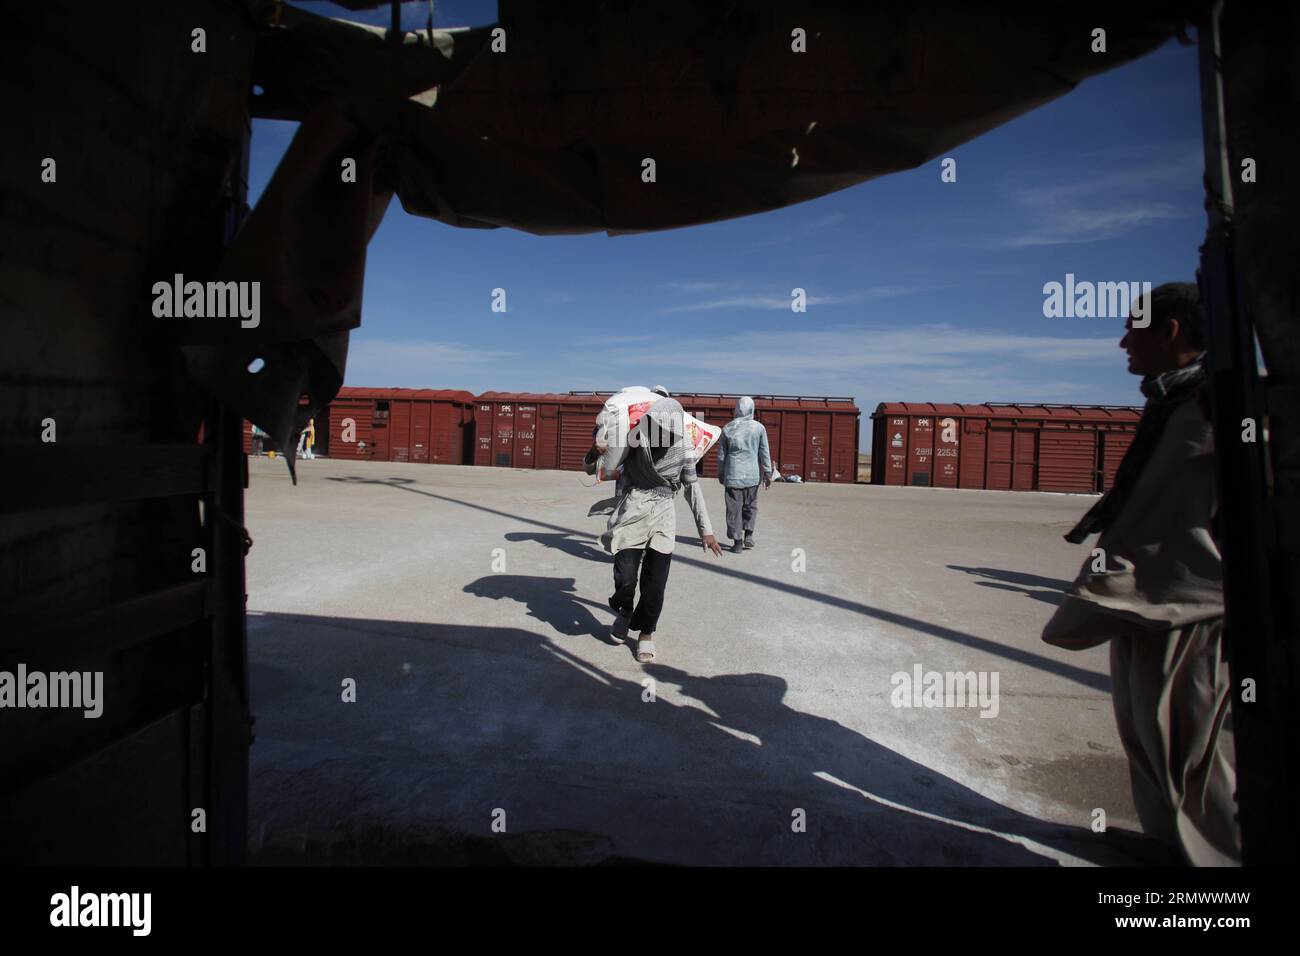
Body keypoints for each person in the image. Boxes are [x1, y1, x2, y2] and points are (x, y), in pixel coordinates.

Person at [1041, 282, 1239, 865]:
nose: (1124, 340)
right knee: (1145, 729)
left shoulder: (1214, 400)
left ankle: (1217, 868)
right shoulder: (1174, 397)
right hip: (1142, 599)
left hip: (1185, 602)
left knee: (1189, 744)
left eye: (1134, 328)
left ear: (1171, 330)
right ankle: (1167, 845)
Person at [601, 396, 722, 661]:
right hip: (633, 508)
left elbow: (691, 486)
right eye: (657, 428)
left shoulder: (684, 446)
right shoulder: (634, 437)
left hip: (663, 511)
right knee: (626, 575)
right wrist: (599, 450)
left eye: (668, 431)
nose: (662, 434)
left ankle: (646, 633)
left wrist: (706, 530)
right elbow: (606, 466)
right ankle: (624, 610)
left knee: (655, 582)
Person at [716, 396, 773, 553]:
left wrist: (721, 473)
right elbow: (764, 452)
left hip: (733, 475)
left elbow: (721, 455)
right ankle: (749, 535)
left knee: (734, 509)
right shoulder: (759, 428)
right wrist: (768, 473)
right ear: (752, 409)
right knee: (751, 506)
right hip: (752, 476)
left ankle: (738, 542)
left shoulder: (727, 428)